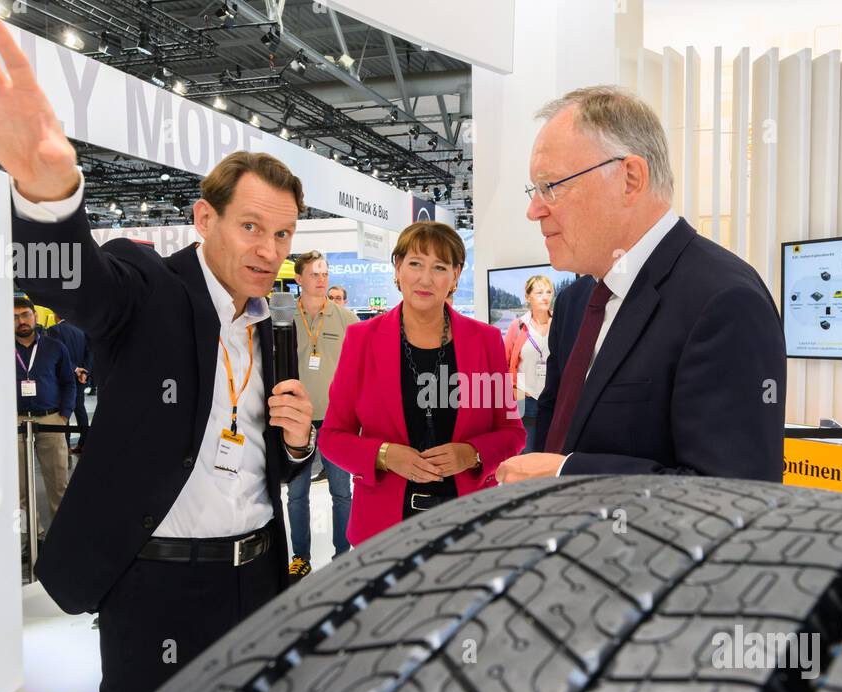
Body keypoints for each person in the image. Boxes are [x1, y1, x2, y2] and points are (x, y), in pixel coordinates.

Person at [0, 13, 317, 692]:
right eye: (251, 226)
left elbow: (268, 462)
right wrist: (48, 196)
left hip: (257, 577)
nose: (267, 248)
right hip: (157, 587)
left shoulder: (269, 327)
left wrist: (298, 443)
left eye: (281, 234)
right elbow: (75, 284)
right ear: (203, 219)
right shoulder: (149, 286)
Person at [497, 85, 786, 485]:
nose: (534, 210)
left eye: (552, 186)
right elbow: (555, 427)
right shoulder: (575, 302)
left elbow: (735, 492)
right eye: (535, 189)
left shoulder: (724, 300)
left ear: (630, 178)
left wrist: (567, 474)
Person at [320, 222, 526, 545]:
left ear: (456, 276)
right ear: (398, 268)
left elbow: (513, 433)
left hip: (470, 524)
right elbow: (332, 436)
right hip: (383, 529)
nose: (425, 278)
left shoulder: (485, 341)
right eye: (415, 263)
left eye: (440, 267)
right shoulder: (362, 340)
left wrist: (472, 454)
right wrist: (384, 455)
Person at [285, 250, 358, 580]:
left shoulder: (345, 317)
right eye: (314, 274)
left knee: (341, 492)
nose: (321, 279)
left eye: (325, 273)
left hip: (336, 419)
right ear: (299, 279)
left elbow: (364, 360)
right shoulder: (284, 317)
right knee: (297, 493)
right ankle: (300, 557)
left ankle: (343, 554)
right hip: (296, 418)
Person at [14, 296, 75, 528]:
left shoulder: (54, 347)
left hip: (51, 420)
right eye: (15, 317)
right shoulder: (1, 348)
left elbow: (69, 382)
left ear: (35, 316)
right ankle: (31, 536)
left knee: (59, 483)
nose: (21, 321)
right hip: (16, 421)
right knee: (19, 488)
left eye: (25, 315)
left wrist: (64, 416)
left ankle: (63, 536)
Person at [503, 275, 554, 451]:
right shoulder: (517, 326)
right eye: (539, 292)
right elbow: (502, 363)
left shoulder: (560, 323)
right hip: (525, 402)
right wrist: (514, 391)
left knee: (551, 456)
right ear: (528, 297)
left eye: (548, 292)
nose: (545, 296)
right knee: (526, 457)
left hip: (553, 401)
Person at [45, 310, 92, 453]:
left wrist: (75, 369)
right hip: (80, 378)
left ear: (56, 316)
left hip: (63, 379)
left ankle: (65, 445)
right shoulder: (82, 330)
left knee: (64, 410)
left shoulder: (54, 330)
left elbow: (57, 354)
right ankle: (84, 443)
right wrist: (84, 371)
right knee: (80, 408)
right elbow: (90, 353)